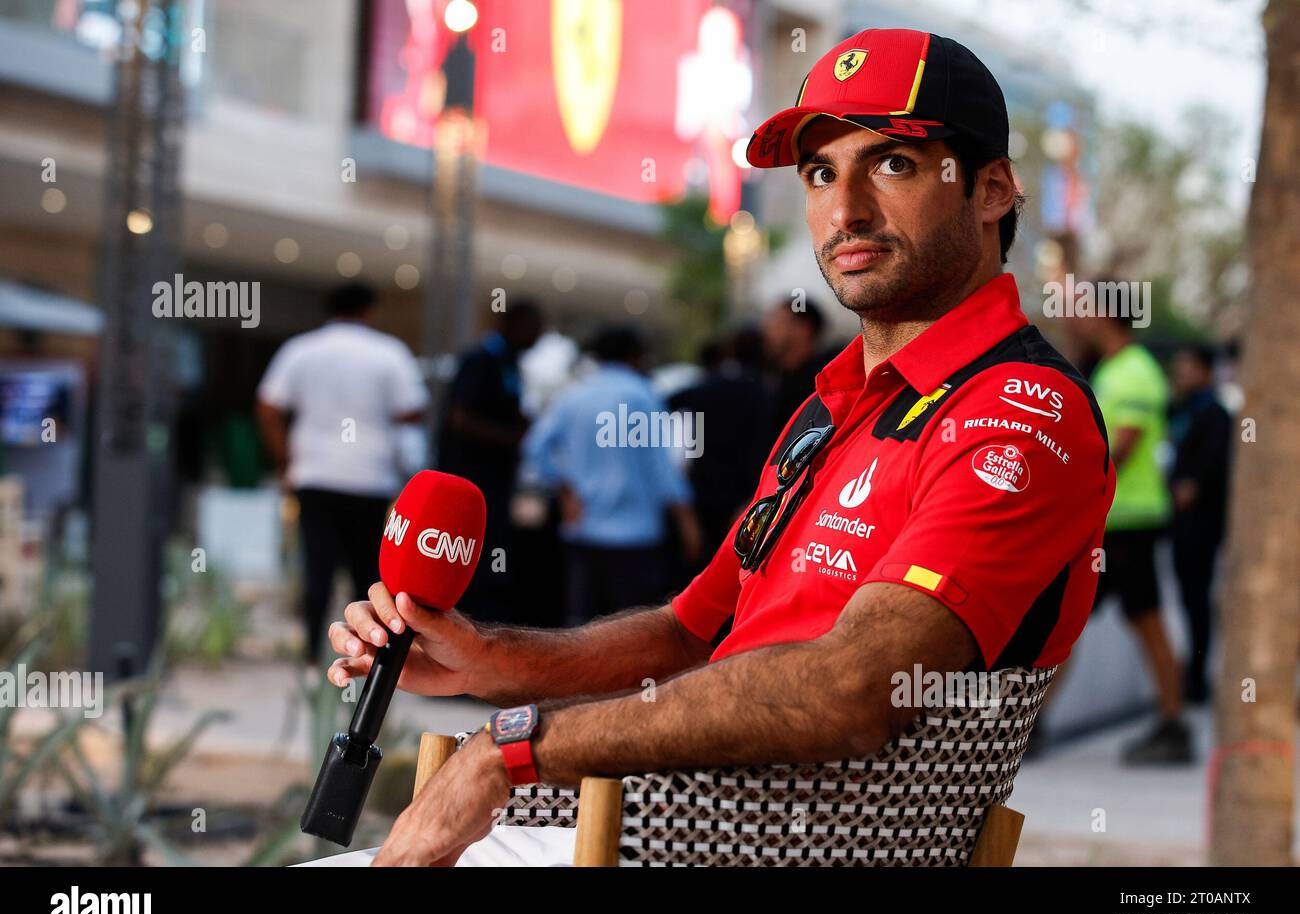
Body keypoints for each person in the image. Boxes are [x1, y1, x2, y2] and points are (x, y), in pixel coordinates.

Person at [317, 28, 1115, 866]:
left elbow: (855, 689)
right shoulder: (834, 403)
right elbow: (688, 635)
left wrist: (514, 745)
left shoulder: (1023, 413)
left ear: (991, 190)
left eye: (892, 164)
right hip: (653, 829)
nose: (845, 211)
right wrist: (488, 659)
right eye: (820, 173)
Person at [256, 283, 427, 663]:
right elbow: (412, 410)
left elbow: (268, 406)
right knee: (366, 571)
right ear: (369, 310)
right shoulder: (389, 353)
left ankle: (311, 652)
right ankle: (366, 649)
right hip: (368, 476)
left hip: (314, 473)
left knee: (316, 564)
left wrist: (285, 460)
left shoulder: (301, 349)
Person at [519, 325, 703, 624]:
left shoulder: (574, 396)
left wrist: (564, 489)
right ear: (635, 358)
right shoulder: (643, 396)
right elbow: (661, 467)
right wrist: (686, 519)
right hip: (635, 535)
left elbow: (534, 447)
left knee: (580, 627)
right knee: (630, 629)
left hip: (582, 530)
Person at [1079, 296, 1191, 763]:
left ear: (1104, 313)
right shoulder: (1113, 367)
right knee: (1075, 618)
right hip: (1114, 520)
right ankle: (1031, 726)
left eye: (1081, 307)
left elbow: (1121, 447)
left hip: (1130, 520)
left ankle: (1173, 723)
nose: (1072, 315)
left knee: (1145, 621)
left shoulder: (1135, 371)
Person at [437, 301, 544, 622]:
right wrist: (511, 437)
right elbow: (461, 419)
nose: (537, 337)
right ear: (514, 324)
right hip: (472, 478)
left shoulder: (508, 362)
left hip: (495, 480)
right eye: (533, 328)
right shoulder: (482, 360)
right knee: (471, 555)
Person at [668, 330, 771, 571]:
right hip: (744, 493)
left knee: (699, 568)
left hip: (702, 489)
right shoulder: (765, 391)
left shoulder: (709, 385)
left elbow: (668, 402)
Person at [1167, 344, 1231, 704]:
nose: (1181, 373)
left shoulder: (1214, 412)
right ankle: (1193, 676)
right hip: (1181, 522)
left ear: (1206, 370)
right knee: (1190, 600)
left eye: (1188, 366)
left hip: (1201, 523)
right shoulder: (1183, 408)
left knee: (1198, 600)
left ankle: (1197, 680)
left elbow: (1213, 466)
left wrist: (1191, 488)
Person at [762, 297, 834, 443]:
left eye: (779, 323)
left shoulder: (822, 385)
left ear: (804, 329)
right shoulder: (778, 379)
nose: (768, 330)